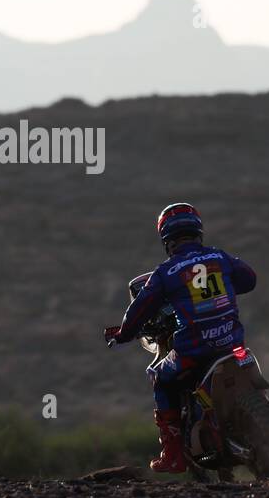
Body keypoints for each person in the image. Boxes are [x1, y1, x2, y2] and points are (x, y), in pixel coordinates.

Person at [103, 203, 257, 473]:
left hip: (193, 349)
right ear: (198, 231)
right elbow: (250, 280)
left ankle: (173, 455)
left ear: (167, 239)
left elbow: (139, 308)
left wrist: (124, 333)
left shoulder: (166, 273)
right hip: (232, 343)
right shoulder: (220, 258)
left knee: (159, 377)